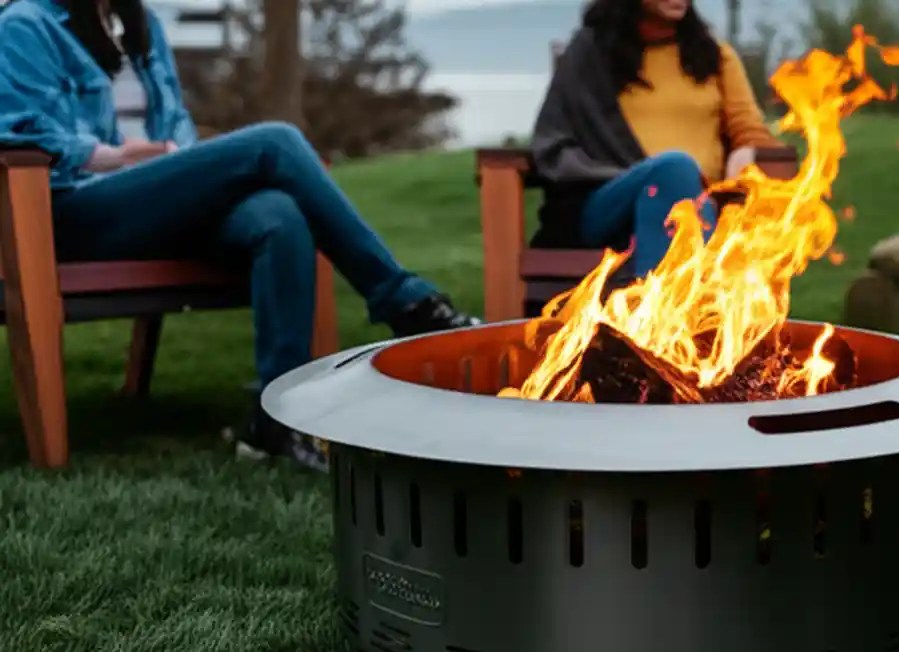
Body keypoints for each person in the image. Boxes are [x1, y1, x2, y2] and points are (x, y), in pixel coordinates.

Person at [0, 0, 481, 470]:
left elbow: (176, 125)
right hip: (74, 210)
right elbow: (21, 132)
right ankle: (405, 302)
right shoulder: (27, 23)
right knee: (275, 141)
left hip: (153, 202)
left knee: (279, 214)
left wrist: (175, 160)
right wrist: (117, 156)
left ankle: (278, 418)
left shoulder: (138, 25)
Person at [530, 0, 781, 276]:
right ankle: (676, 309)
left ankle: (667, 310)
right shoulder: (594, 55)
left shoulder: (715, 56)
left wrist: (744, 157)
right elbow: (557, 136)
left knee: (690, 198)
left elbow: (749, 131)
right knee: (675, 170)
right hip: (611, 203)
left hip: (701, 207)